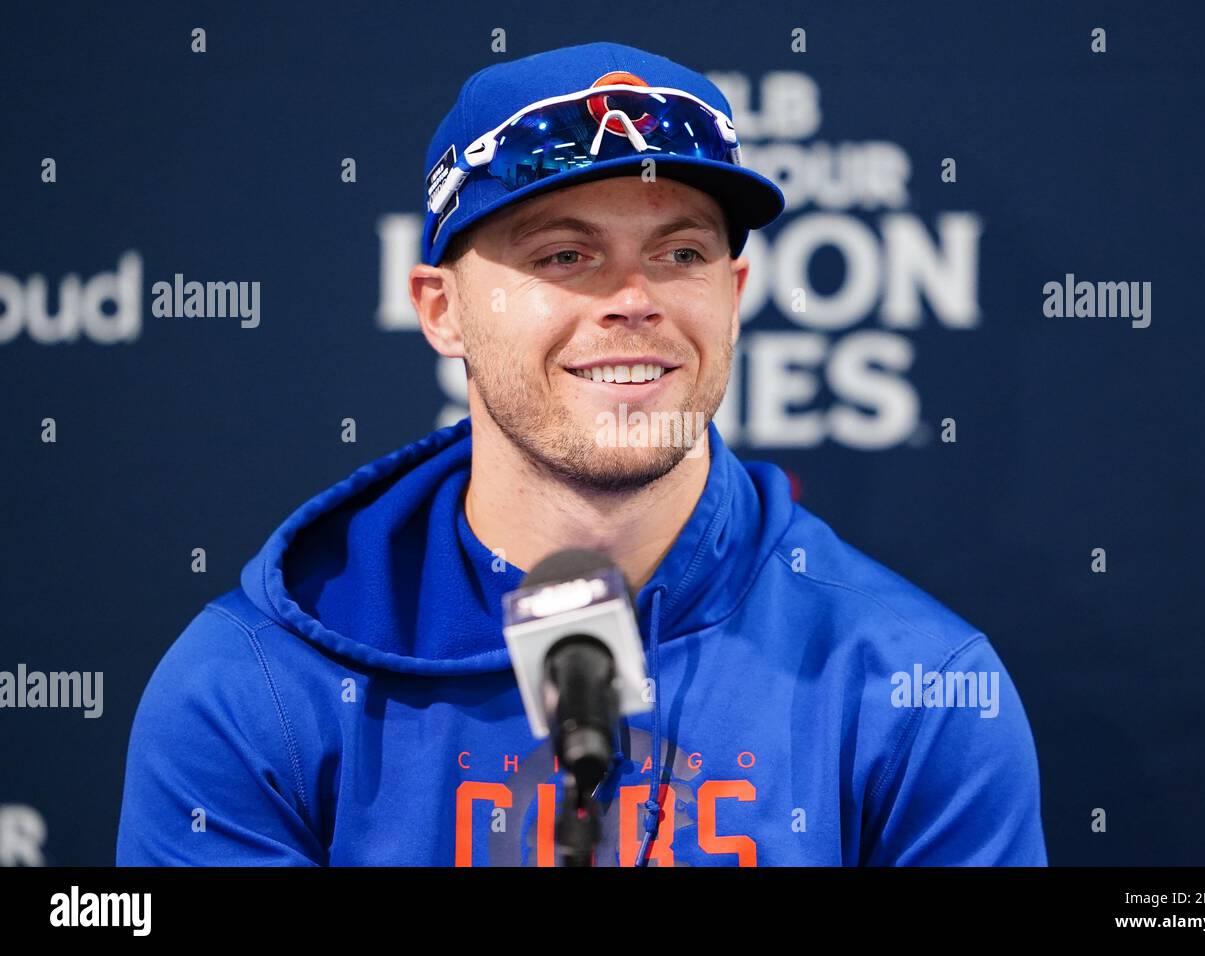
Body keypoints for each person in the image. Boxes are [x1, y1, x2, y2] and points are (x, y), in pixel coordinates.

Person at [116, 40, 1047, 866]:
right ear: (442, 309)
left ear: (736, 291)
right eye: (565, 256)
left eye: (680, 255)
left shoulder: (919, 684)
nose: (633, 299)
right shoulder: (253, 685)